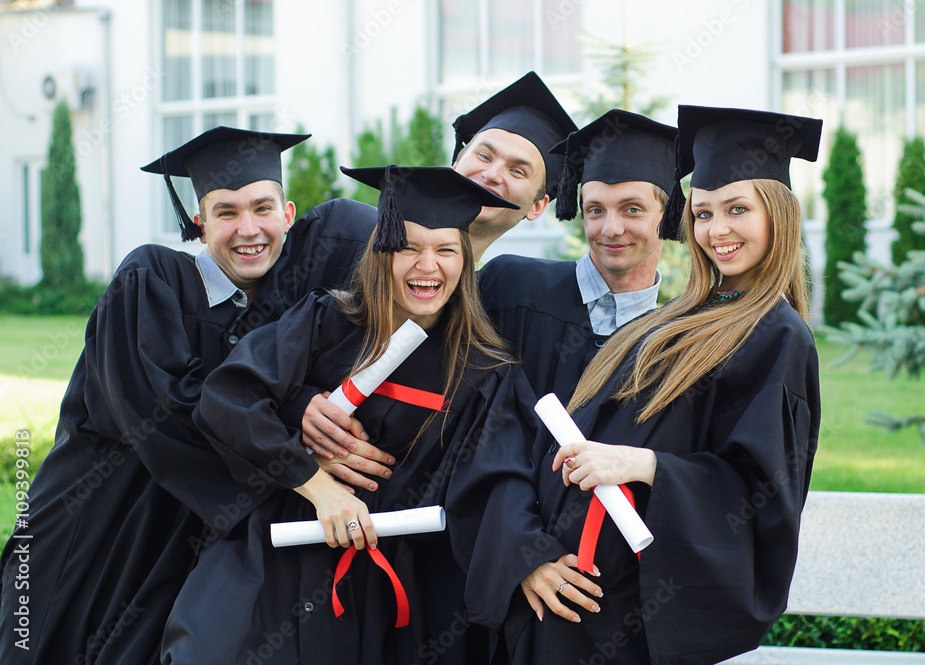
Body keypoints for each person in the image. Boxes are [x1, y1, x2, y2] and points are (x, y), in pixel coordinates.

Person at [451, 106, 824, 664]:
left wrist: (642, 465)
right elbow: (490, 433)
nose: (717, 229)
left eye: (738, 209)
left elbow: (761, 494)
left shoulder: (777, 334)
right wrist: (523, 552)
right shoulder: (683, 323)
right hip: (557, 606)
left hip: (611, 608)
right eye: (704, 212)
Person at [0, 126, 378, 665]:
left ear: (288, 215)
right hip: (97, 518)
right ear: (200, 223)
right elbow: (171, 416)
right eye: (226, 213)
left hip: (179, 531)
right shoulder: (150, 279)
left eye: (262, 208)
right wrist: (304, 470)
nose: (248, 229)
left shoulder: (286, 315)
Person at [161, 166, 539, 665]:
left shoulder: (484, 372)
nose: (427, 265)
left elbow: (496, 481)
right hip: (280, 551)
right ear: (381, 251)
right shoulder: (328, 321)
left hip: (390, 585)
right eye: (408, 247)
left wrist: (530, 557)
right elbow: (230, 398)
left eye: (446, 250)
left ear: (465, 262)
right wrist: (317, 485)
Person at [293, 70, 576, 460]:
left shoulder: (499, 307)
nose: (492, 174)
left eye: (517, 170)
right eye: (484, 155)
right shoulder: (337, 231)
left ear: (538, 206)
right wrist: (298, 410)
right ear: (457, 160)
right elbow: (254, 350)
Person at [478, 109, 680, 401]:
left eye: (632, 209)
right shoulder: (509, 287)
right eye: (596, 210)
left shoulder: (675, 344)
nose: (610, 229)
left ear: (669, 214)